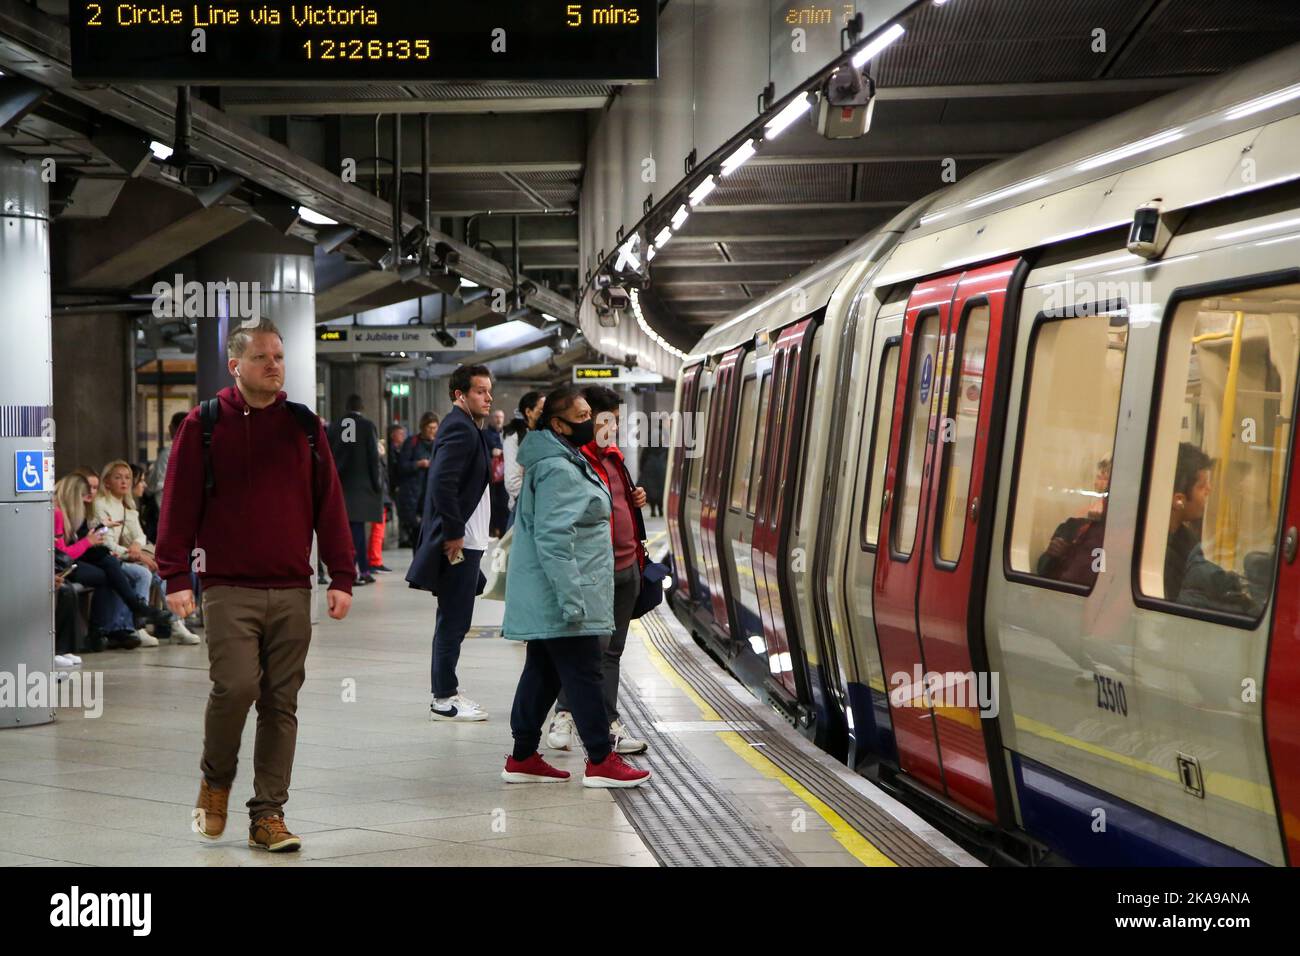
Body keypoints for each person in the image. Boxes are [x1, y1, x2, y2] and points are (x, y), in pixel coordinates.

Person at [156, 317, 355, 854]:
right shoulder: (204, 424)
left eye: (279, 357)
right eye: (263, 357)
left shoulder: (304, 426)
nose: (274, 366)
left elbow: (329, 506)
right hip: (227, 587)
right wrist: (175, 574)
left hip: (292, 587)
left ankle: (268, 813)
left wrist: (341, 575)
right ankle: (215, 781)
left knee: (280, 701)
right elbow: (178, 505)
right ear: (235, 364)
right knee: (236, 687)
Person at [500, 386, 650, 788]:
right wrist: (572, 602)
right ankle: (601, 760)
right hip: (567, 593)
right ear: (558, 424)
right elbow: (553, 539)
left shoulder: (560, 459)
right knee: (584, 672)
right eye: (582, 416)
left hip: (561, 591)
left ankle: (522, 756)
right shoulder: (559, 469)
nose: (591, 422)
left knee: (544, 672)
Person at [548, 385, 650, 755]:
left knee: (611, 652)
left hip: (627, 567)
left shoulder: (614, 458)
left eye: (617, 422)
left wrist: (635, 497)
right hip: (595, 571)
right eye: (608, 421)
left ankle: (608, 726)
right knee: (588, 651)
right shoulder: (574, 462)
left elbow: (617, 502)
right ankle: (565, 714)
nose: (614, 428)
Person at [405, 365, 494, 721]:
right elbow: (441, 482)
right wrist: (455, 533)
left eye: (489, 391)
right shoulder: (458, 427)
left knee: (455, 618)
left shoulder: (469, 426)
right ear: (460, 395)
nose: (487, 397)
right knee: (453, 620)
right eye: (480, 392)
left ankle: (447, 692)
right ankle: (444, 698)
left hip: (470, 539)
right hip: (461, 541)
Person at [54, 473, 170, 651]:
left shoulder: (80, 511)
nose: (89, 496)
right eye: (86, 491)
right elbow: (64, 554)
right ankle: (120, 619)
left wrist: (100, 531)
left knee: (109, 564)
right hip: (61, 565)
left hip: (77, 560)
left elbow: (85, 541)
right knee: (114, 571)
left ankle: (105, 629)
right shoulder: (59, 514)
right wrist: (90, 541)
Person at [95, 459, 199, 645]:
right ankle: (138, 625)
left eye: (127, 477)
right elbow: (105, 542)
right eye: (118, 477)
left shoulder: (129, 508)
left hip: (129, 555)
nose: (124, 482)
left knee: (164, 572)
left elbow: (141, 536)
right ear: (107, 482)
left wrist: (136, 544)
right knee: (142, 573)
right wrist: (133, 553)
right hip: (109, 558)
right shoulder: (101, 505)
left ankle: (175, 624)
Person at [1164, 442, 1261, 615]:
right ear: (1179, 500)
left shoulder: (1187, 539)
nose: (1209, 490)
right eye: (1202, 486)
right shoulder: (1165, 557)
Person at [328, 394, 384, 586]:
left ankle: (352, 570)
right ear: (361, 407)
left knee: (343, 532)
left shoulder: (334, 426)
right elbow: (373, 457)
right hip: (360, 487)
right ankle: (360, 570)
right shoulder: (367, 426)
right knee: (357, 531)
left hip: (339, 486)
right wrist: (377, 484)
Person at [1035, 457, 1111, 588]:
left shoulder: (1108, 530)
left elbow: (1095, 571)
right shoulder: (1076, 522)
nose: (1101, 478)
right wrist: (1054, 554)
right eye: (1101, 474)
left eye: (1106, 476)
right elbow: (1043, 566)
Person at [396, 412, 439, 549]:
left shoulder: (439, 443)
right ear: (423, 427)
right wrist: (418, 464)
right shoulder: (412, 442)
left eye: (434, 428)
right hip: (414, 495)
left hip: (433, 494)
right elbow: (401, 466)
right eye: (429, 428)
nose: (432, 431)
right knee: (417, 534)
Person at [503, 391, 544, 528]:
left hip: (541, 507)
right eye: (541, 411)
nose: (545, 415)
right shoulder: (514, 436)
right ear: (528, 412)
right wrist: (531, 501)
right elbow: (512, 480)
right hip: (523, 507)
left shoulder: (541, 435)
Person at [486, 408, 509, 538]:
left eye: (501, 417)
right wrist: (492, 452)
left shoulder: (507, 434)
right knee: (491, 504)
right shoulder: (486, 434)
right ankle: (492, 529)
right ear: (492, 418)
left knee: (504, 504)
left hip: (504, 476)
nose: (499, 419)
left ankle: (502, 531)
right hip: (490, 476)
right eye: (496, 417)